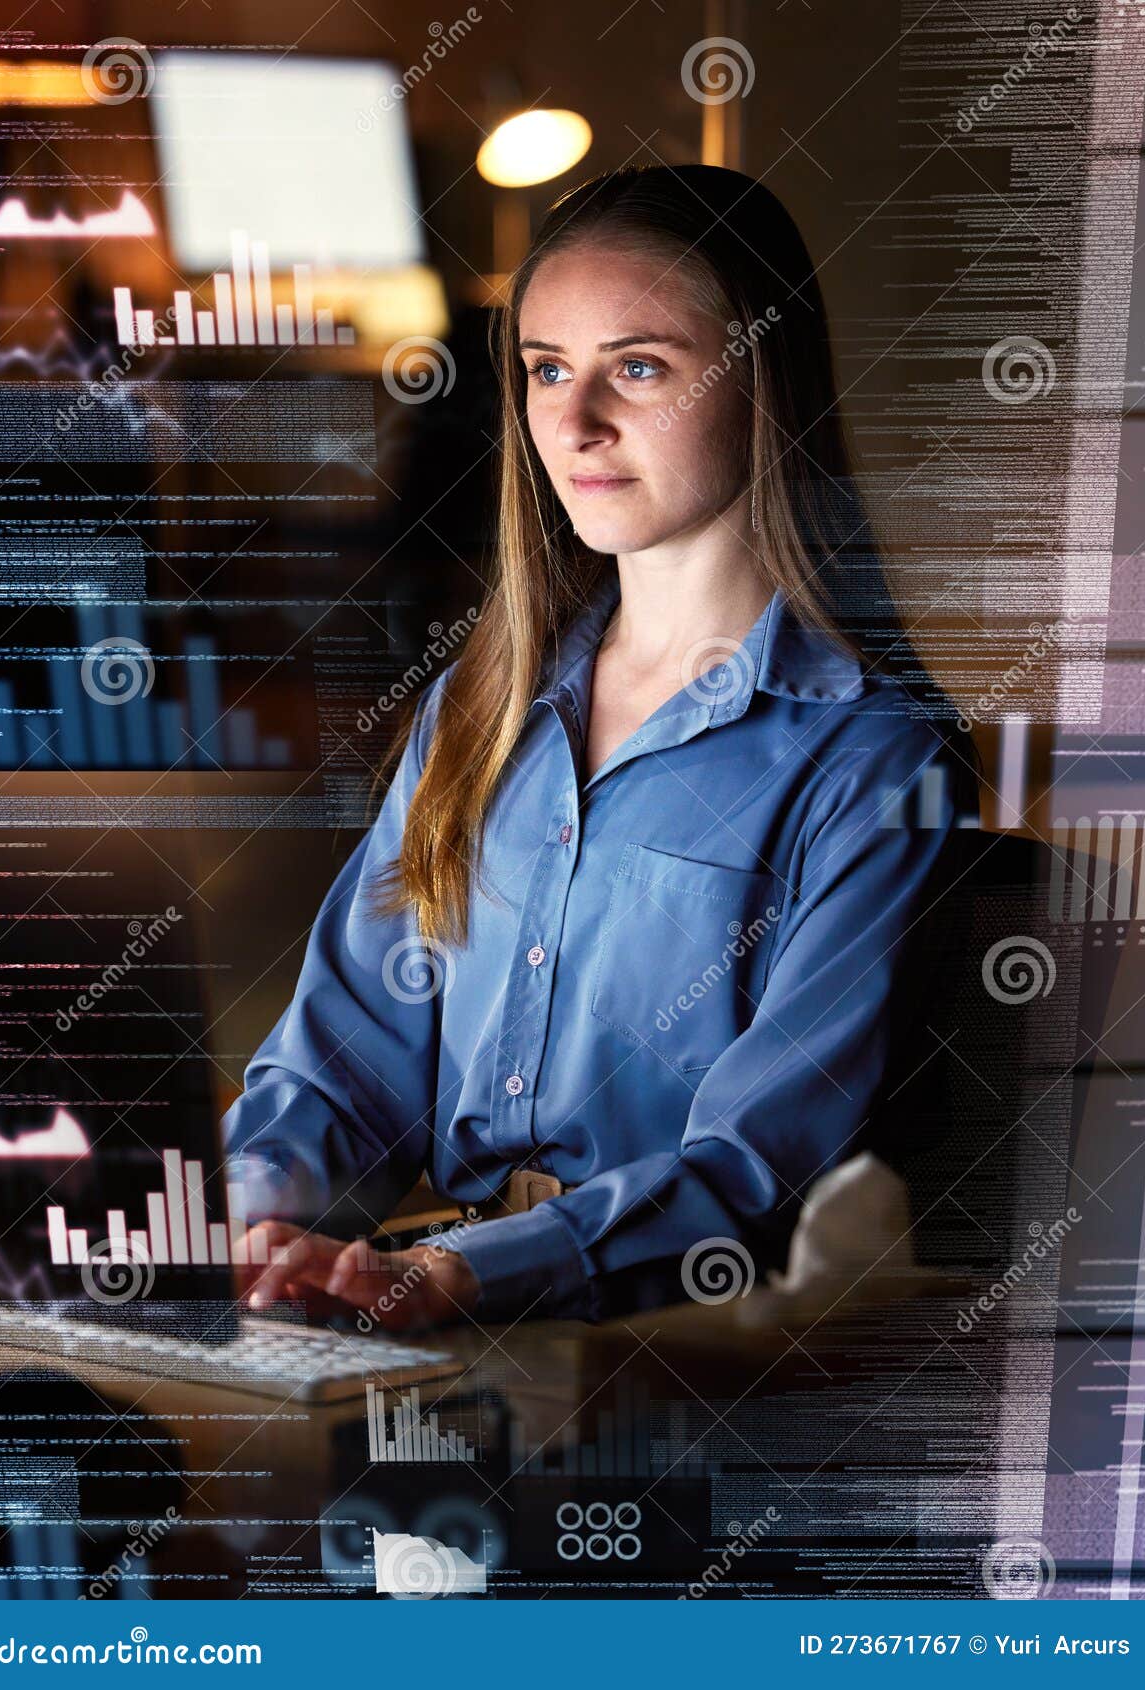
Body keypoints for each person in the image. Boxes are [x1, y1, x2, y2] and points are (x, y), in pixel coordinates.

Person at [223, 163, 977, 1330]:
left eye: (637, 366)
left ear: (761, 382)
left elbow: (757, 1170)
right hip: (433, 1309)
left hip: (681, 1358)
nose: (570, 423)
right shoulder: (477, 705)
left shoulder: (871, 762)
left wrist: (469, 1273)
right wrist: (248, 1219)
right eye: (543, 370)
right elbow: (347, 1060)